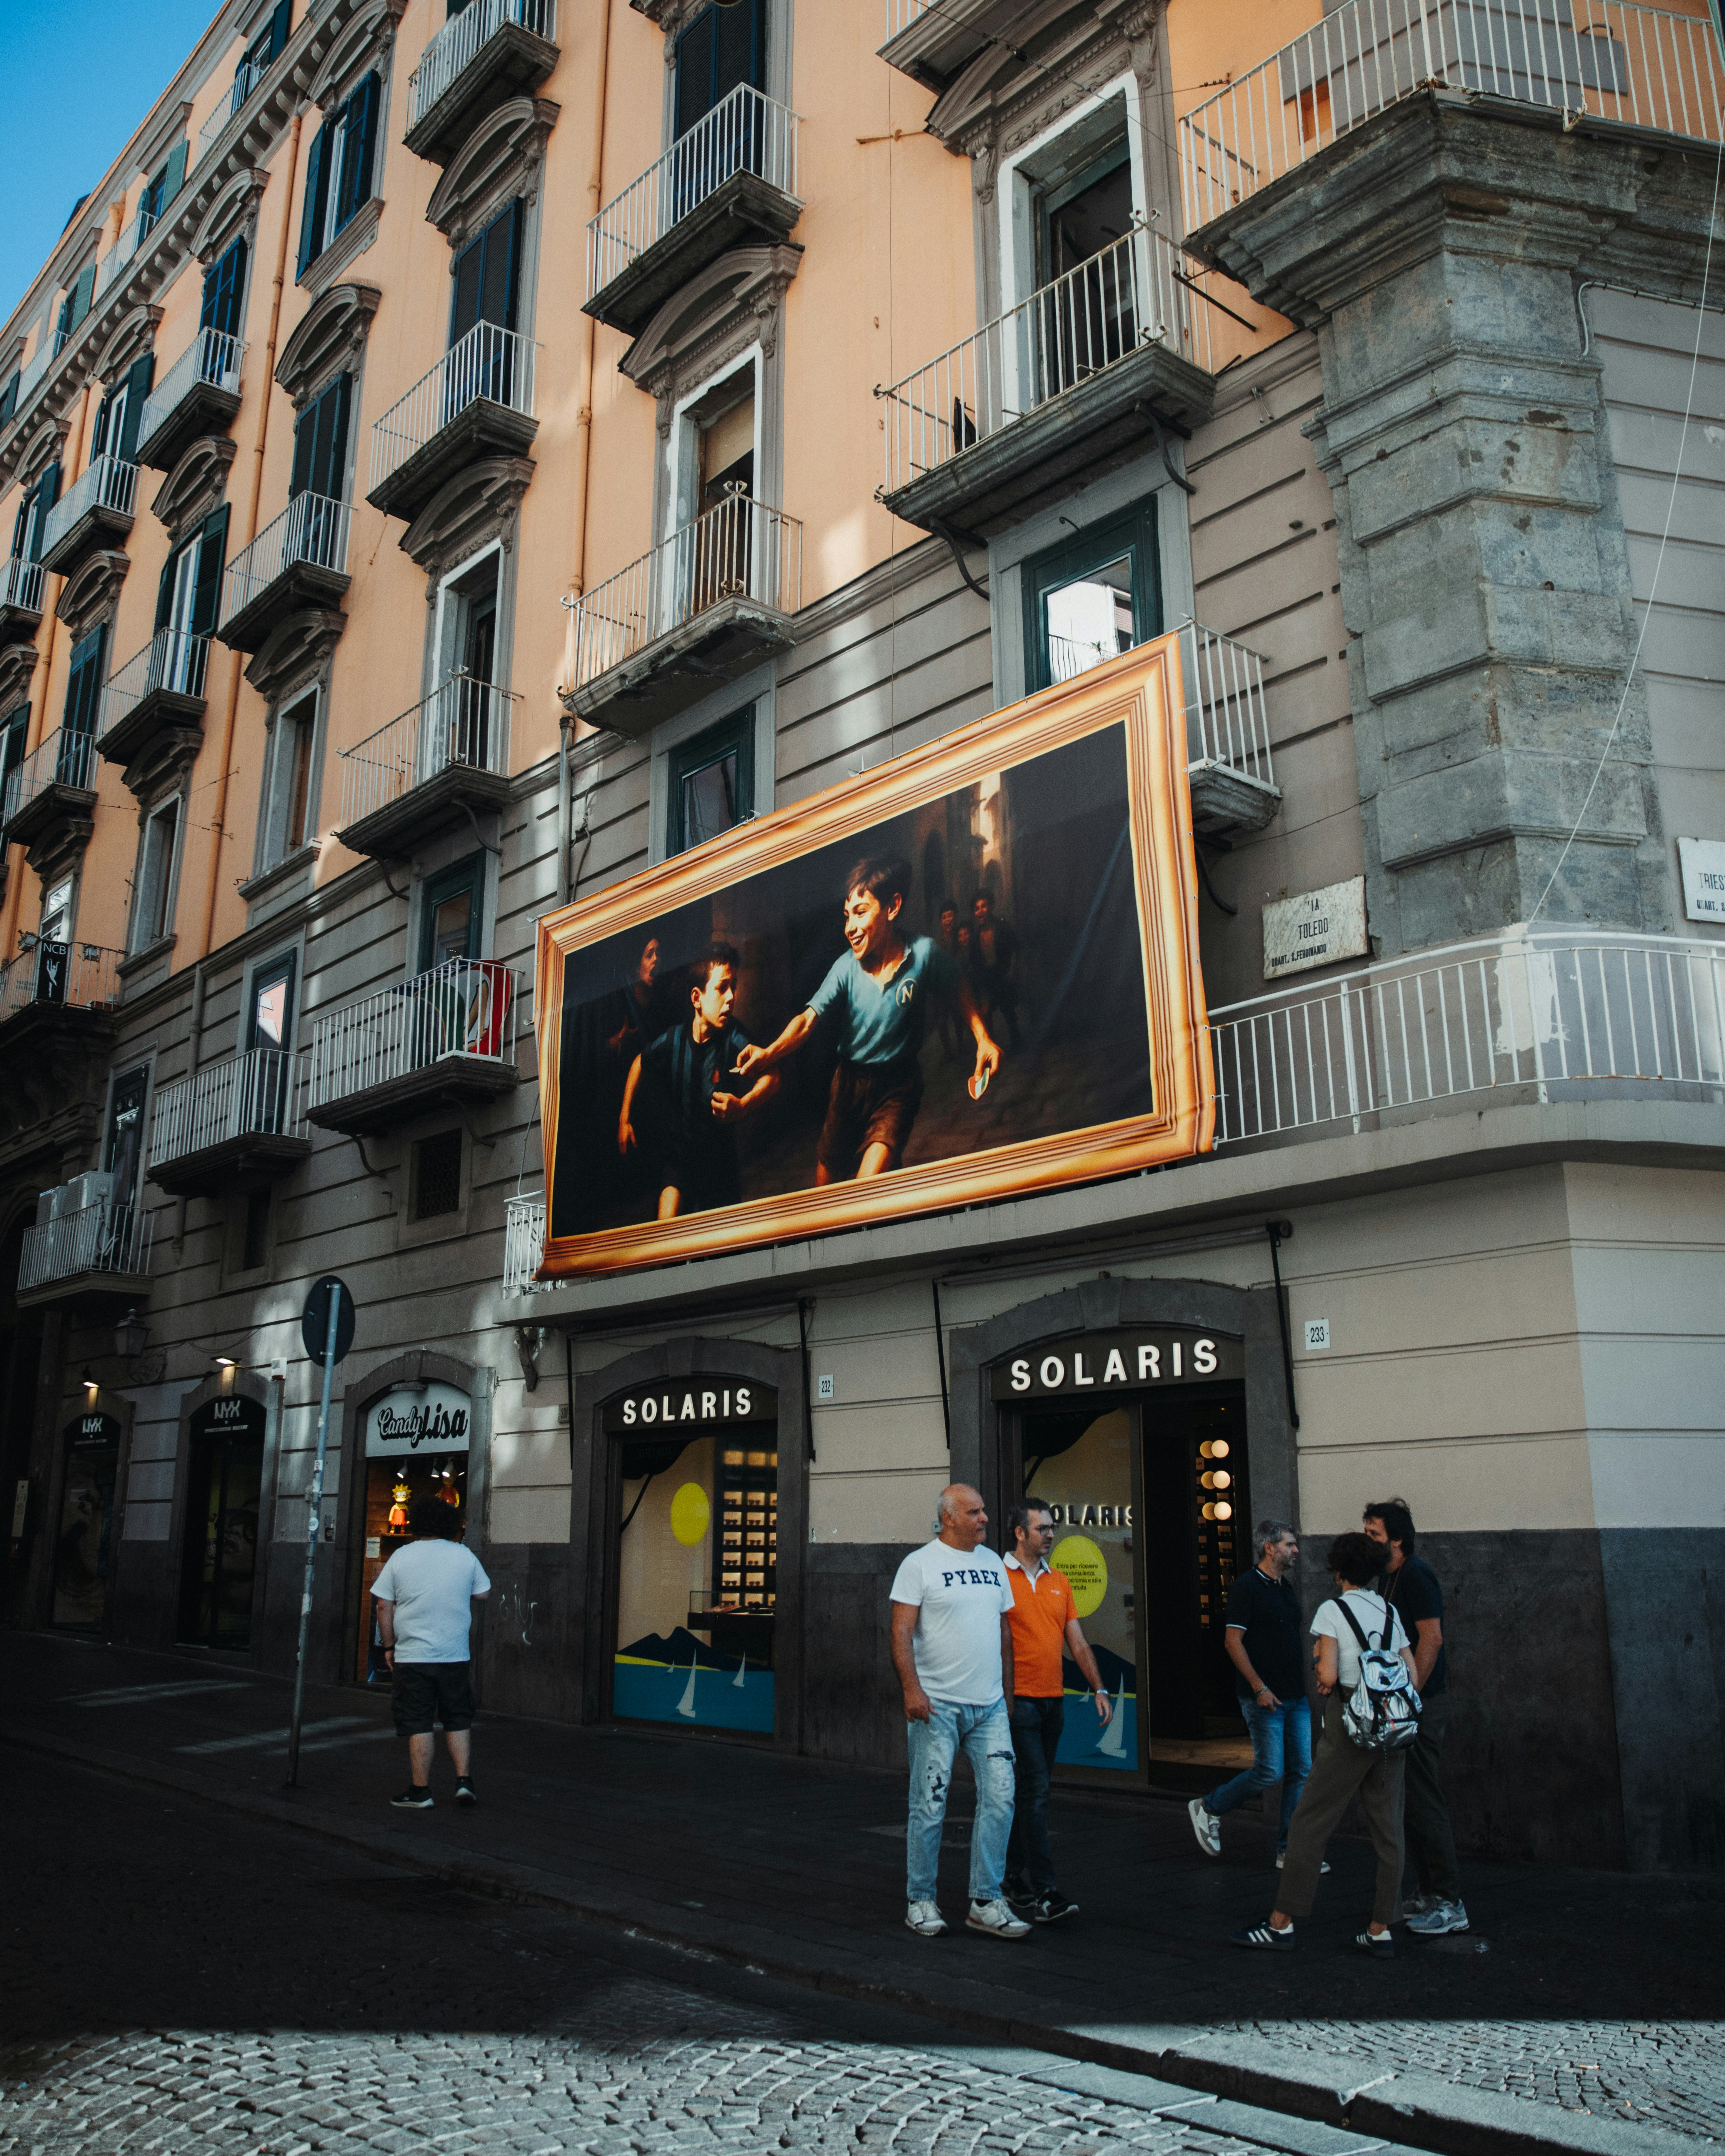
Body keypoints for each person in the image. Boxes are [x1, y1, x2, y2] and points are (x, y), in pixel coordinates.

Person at [735, 855, 1001, 1183]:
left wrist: (983, 1038)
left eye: (861, 912)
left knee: (866, 1187)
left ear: (892, 908)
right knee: (825, 1193)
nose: (850, 927)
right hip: (847, 1085)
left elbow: (956, 982)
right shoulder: (846, 968)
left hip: (898, 1087)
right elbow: (806, 1021)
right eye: (847, 915)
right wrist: (768, 1053)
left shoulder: (925, 954)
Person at [1231, 1531, 1414, 1957]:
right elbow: (1412, 1675)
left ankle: (1282, 1923)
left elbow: (1329, 1677)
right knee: (1389, 1830)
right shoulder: (1388, 1610)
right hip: (1392, 1732)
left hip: (1350, 1727)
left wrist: (1317, 1660)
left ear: (1337, 1571)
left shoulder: (1332, 1611)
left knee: (1309, 1822)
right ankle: (1382, 1927)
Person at [889, 1483, 1029, 1941]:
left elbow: (1005, 1635)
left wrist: (1006, 1696)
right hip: (937, 1707)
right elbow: (901, 1632)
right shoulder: (920, 1565)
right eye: (975, 1512)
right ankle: (920, 1899)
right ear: (949, 1517)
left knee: (1002, 1797)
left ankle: (986, 1900)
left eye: (984, 1510)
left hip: (989, 1708)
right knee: (930, 1804)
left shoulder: (993, 1564)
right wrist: (912, 1690)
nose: (985, 1518)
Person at [1188, 1519, 1320, 1873]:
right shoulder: (1247, 1587)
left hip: (1295, 1696)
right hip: (1264, 1697)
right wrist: (1259, 1687)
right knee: (1269, 1771)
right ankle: (1210, 1806)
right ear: (1270, 1548)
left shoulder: (1285, 1587)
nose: (1296, 1550)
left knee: (1301, 1772)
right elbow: (1233, 1642)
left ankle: (1289, 1850)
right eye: (1290, 1545)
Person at [1002, 1499, 1112, 1922]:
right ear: (1020, 1533)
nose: (1051, 1534)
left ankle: (1011, 1878)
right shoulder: (997, 1577)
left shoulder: (1059, 1582)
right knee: (1036, 1793)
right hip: (1018, 1704)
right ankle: (1047, 1891)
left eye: (1052, 1528)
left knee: (1028, 1793)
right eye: (1042, 1528)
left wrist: (1098, 1687)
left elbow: (1078, 1642)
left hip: (1054, 1702)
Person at [1365, 1496, 1467, 1936]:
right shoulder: (1386, 1578)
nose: (1368, 1541)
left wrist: (1412, 1697)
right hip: (1405, 1704)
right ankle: (1430, 1892)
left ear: (1398, 1539)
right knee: (1412, 1799)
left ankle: (1449, 1900)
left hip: (1420, 1703)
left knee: (1425, 1798)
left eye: (1375, 1535)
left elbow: (1432, 1639)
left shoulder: (1416, 1575)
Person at [617, 941, 779, 1218]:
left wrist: (743, 1105)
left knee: (722, 1249)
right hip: (678, 1161)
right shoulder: (674, 1039)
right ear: (697, 998)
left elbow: (772, 1077)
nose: (731, 997)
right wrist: (624, 1119)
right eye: (722, 988)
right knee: (665, 1237)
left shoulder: (734, 1037)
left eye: (734, 987)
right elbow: (639, 1064)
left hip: (720, 1163)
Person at [371, 1495, 491, 1810]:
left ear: (417, 1523)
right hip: (454, 1654)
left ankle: (421, 1790)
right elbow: (484, 1593)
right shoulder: (464, 1555)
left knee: (419, 1721)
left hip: (412, 1656)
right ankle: (464, 1781)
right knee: (458, 1718)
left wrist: (389, 1646)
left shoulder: (401, 1556)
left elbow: (384, 1604)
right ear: (450, 1524)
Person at [969, 889, 1022, 1048]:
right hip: (987, 980)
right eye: (977, 908)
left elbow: (1015, 948)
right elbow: (975, 963)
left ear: (991, 907)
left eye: (984, 906)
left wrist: (1012, 970)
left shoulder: (1002, 926)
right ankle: (990, 1048)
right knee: (985, 1015)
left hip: (1003, 975)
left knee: (1009, 1013)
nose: (980, 911)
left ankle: (1017, 1044)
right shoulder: (975, 935)